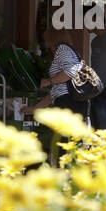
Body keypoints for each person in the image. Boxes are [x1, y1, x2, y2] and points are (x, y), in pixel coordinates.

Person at [31, 25, 90, 160]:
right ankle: (70, 173)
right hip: (72, 102)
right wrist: (34, 108)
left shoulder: (63, 49)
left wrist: (48, 81)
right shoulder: (69, 51)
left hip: (69, 103)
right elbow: (56, 92)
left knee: (65, 144)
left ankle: (67, 175)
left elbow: (70, 72)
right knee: (69, 143)